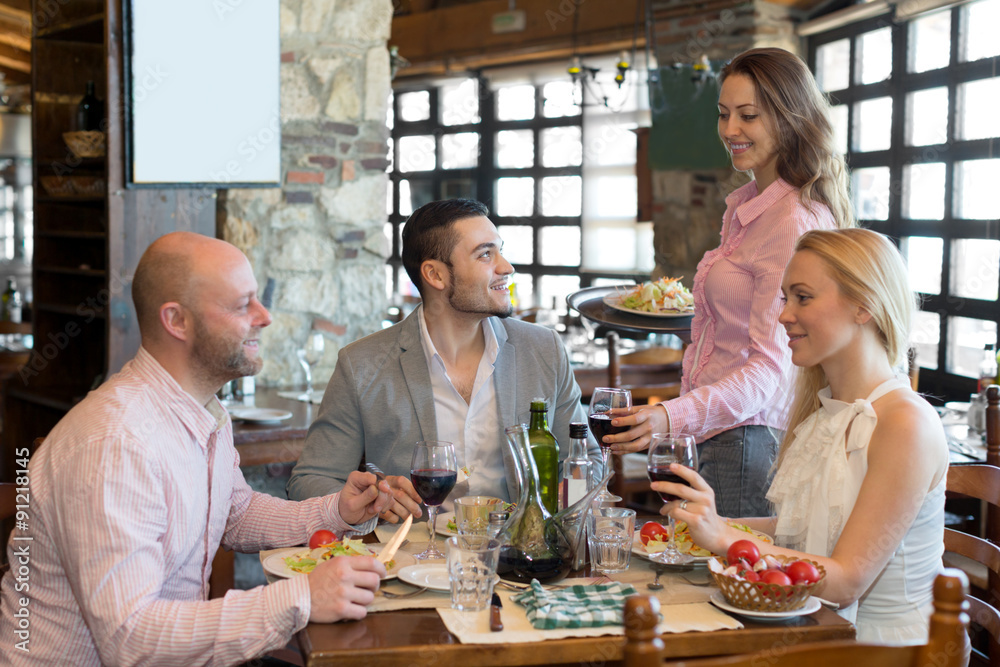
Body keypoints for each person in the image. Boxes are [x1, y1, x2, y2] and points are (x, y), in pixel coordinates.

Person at [0, 232, 395, 667]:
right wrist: (301, 597)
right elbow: (131, 640)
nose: (265, 317)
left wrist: (337, 512)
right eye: (242, 305)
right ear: (177, 321)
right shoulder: (116, 444)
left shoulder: (203, 407)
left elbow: (235, 512)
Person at [656, 228, 949, 646]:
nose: (783, 315)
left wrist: (724, 537)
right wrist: (707, 523)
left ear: (864, 305)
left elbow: (847, 581)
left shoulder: (905, 423)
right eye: (785, 299)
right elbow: (801, 528)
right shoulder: (824, 409)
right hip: (815, 631)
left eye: (803, 297)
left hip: (882, 649)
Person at [608, 47, 854, 518]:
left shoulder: (792, 221)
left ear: (789, 119)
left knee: (726, 566)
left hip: (746, 440)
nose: (730, 130)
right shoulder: (748, 205)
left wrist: (669, 415)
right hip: (719, 433)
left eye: (748, 115)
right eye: (724, 114)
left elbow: (771, 368)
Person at [287, 198, 601, 520]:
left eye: (500, 251)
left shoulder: (543, 349)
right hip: (414, 549)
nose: (506, 267)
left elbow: (587, 459)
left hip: (520, 548)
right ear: (435, 275)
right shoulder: (361, 365)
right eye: (485, 254)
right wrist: (373, 497)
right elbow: (308, 482)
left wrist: (564, 507)